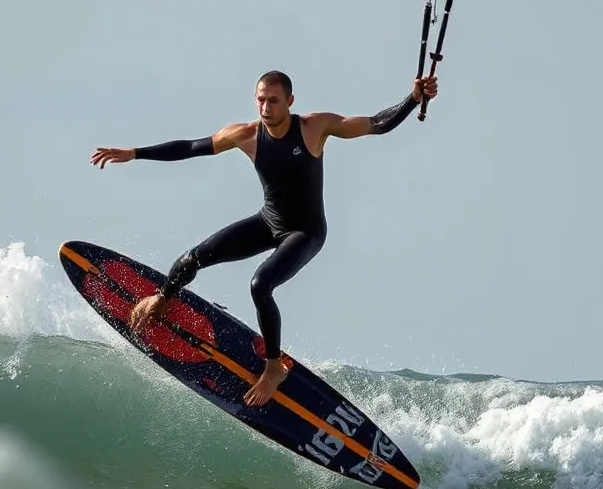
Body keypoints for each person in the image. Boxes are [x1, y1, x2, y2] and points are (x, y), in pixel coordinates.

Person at [90, 71, 438, 407]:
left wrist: (413, 99)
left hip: (306, 232)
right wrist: (135, 153)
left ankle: (274, 368)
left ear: (289, 100)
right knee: (190, 259)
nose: (266, 107)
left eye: (273, 100)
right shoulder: (245, 135)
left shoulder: (314, 127)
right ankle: (161, 301)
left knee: (260, 284)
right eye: (260, 100)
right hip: (268, 222)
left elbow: (376, 123)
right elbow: (192, 147)